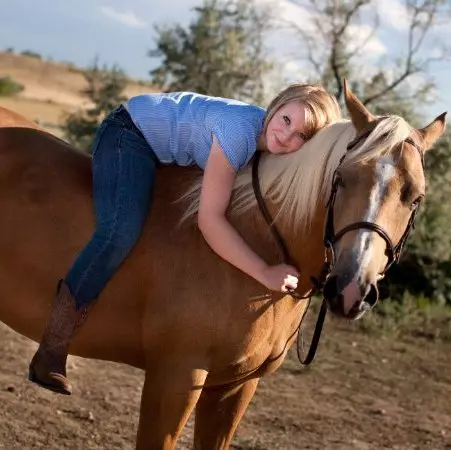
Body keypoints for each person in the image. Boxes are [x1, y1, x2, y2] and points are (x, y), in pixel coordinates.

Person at [28, 84, 341, 395]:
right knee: (118, 231)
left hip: (171, 146)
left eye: (301, 135)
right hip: (130, 132)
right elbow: (209, 221)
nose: (287, 136)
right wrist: (263, 271)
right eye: (286, 120)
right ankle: (52, 347)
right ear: (274, 107)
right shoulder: (238, 133)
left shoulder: (269, 144)